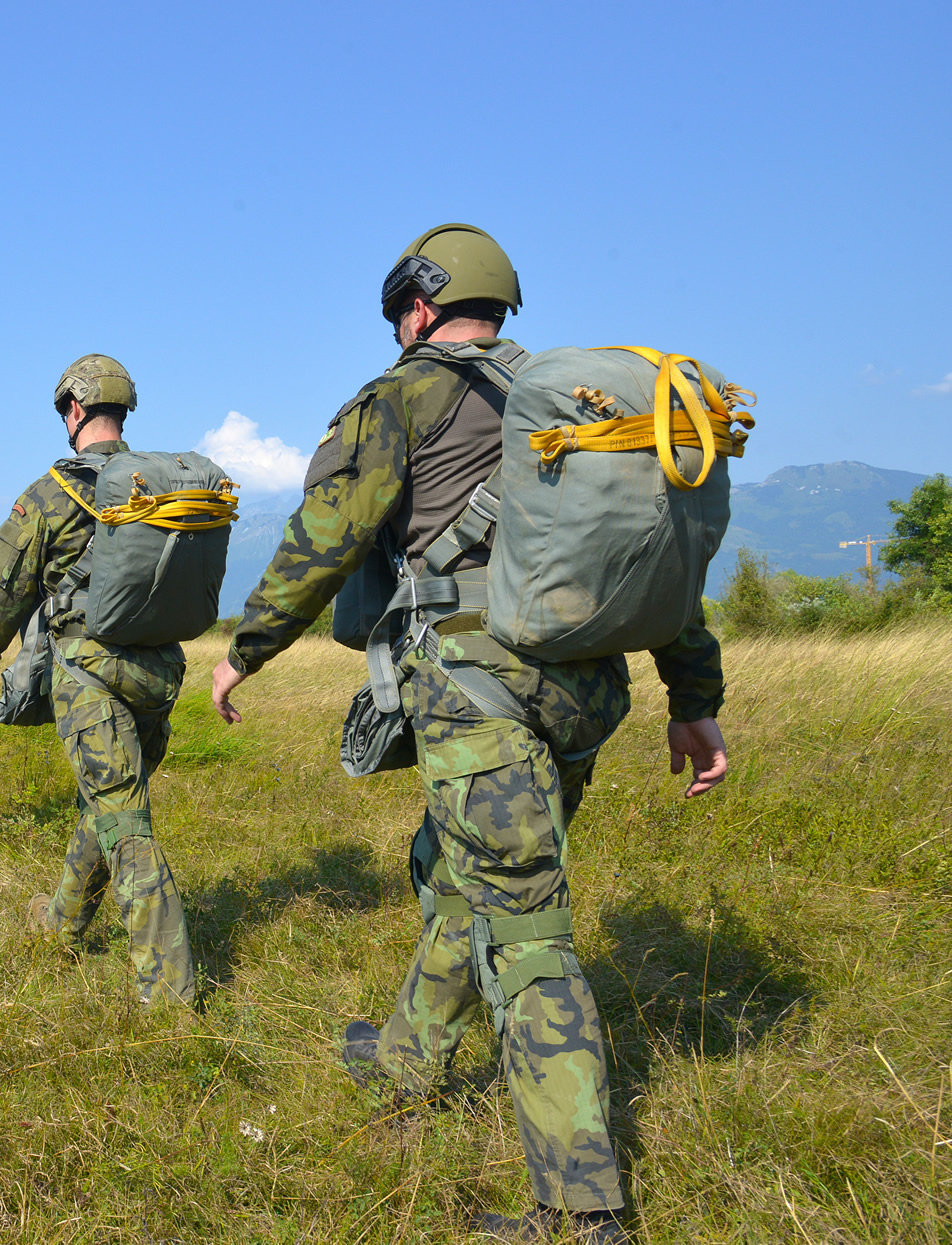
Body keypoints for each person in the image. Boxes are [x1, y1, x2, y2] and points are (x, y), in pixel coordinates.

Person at [208, 224, 729, 1243]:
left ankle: (580, 1211)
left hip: (473, 688)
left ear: (414, 304)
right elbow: (658, 562)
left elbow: (324, 536)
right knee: (463, 874)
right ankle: (406, 1060)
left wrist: (245, 647)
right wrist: (690, 696)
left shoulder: (398, 398)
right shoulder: (583, 411)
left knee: (526, 934)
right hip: (583, 691)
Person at [0, 354, 197, 1007]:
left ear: (74, 408)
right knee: (109, 799)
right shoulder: (158, 485)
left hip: (89, 674)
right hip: (159, 669)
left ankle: (172, 995)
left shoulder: (49, 494)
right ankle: (62, 920)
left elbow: (1, 585)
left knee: (125, 821)